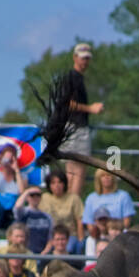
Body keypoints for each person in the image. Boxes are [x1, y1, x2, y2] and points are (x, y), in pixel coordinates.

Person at [59, 43, 103, 196]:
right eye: (83, 58)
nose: (85, 62)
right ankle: (74, 208)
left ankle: (69, 211)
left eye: (87, 59)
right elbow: (67, 103)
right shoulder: (72, 77)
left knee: (71, 172)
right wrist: (90, 108)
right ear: (75, 57)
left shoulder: (75, 77)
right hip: (76, 127)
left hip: (70, 127)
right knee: (78, 171)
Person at [0, 145, 28, 235]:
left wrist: (16, 170)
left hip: (11, 214)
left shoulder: (22, 176)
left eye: (10, 160)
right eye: (6, 159)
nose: (7, 163)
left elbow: (22, 192)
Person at [82, 169, 135, 237]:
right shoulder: (91, 198)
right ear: (98, 179)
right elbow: (89, 222)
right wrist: (97, 234)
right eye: (103, 176)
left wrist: (115, 232)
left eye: (109, 175)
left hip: (117, 234)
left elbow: (127, 221)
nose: (106, 177)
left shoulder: (123, 196)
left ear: (113, 178)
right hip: (98, 235)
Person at [38, 171, 84, 240]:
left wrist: (81, 240)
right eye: (53, 183)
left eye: (60, 182)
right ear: (49, 185)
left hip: (70, 236)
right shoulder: (43, 198)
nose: (57, 185)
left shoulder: (74, 198)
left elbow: (79, 220)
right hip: (49, 236)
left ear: (64, 184)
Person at [12, 186, 53, 254]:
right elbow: (18, 207)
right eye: (32, 195)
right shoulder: (23, 213)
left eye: (38, 195)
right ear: (27, 197)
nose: (35, 197)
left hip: (41, 254)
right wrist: (27, 191)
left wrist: (44, 252)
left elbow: (50, 238)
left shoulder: (47, 217)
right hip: (24, 254)